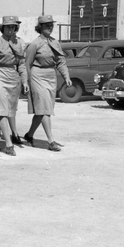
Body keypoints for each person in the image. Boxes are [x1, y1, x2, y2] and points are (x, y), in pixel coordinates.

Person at [24, 14, 72, 151]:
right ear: (40, 27)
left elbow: (61, 61)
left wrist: (66, 76)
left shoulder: (55, 43)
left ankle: (29, 135)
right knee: (45, 108)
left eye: (51, 25)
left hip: (51, 76)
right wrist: (26, 82)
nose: (50, 27)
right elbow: (27, 64)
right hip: (37, 75)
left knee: (42, 111)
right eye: (46, 25)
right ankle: (51, 141)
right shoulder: (34, 44)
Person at [0, 16, 27, 156]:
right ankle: (8, 143)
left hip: (13, 77)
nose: (10, 29)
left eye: (13, 27)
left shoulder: (19, 43)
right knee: (2, 110)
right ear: (2, 28)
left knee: (7, 112)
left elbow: (22, 64)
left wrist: (25, 81)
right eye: (8, 26)